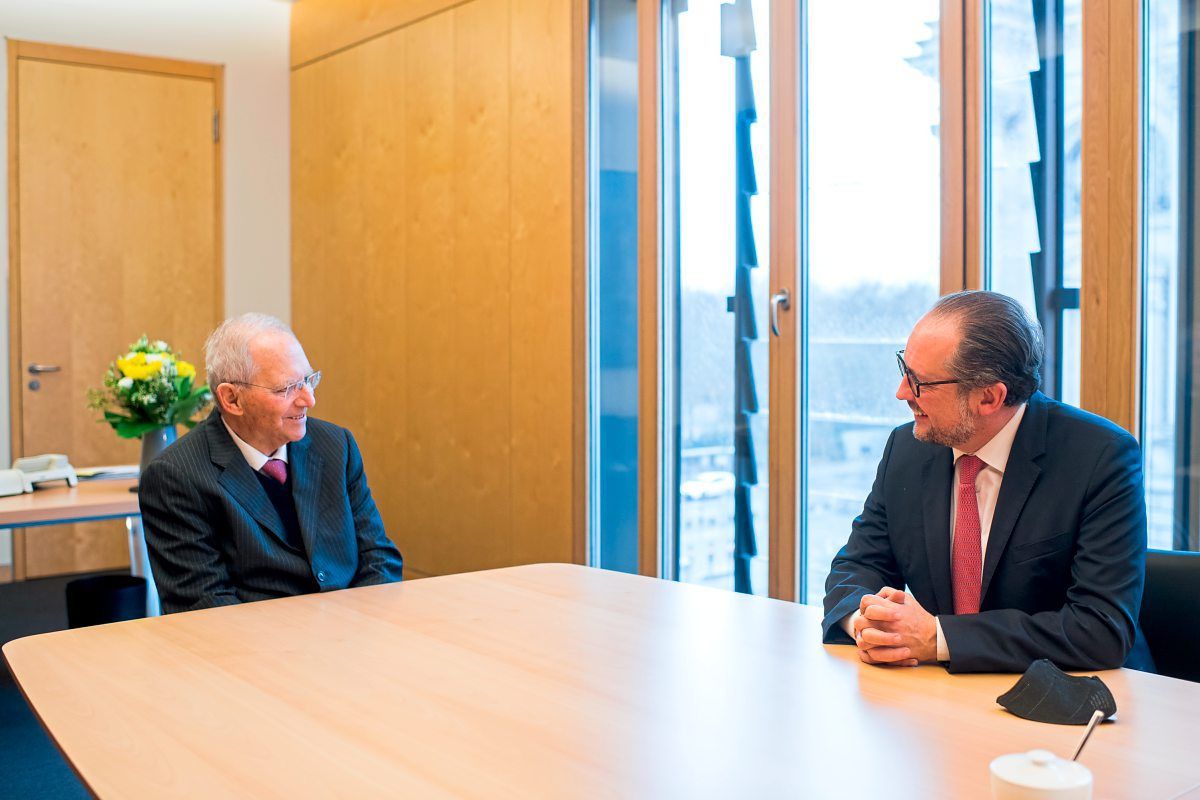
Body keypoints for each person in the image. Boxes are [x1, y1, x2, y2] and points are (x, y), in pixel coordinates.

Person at [822, 291, 1153, 673]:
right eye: (904, 369)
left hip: (1073, 694)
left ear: (990, 397)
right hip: (942, 693)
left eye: (920, 383)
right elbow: (856, 566)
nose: (901, 393)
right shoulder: (907, 449)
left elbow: (1099, 630)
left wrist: (938, 638)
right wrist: (869, 624)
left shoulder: (1099, 457)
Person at [140, 313, 404, 614]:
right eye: (286, 388)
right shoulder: (176, 476)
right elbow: (205, 605)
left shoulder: (335, 444)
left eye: (308, 380)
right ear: (232, 399)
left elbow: (379, 557)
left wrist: (358, 625)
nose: (308, 400)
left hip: (353, 629)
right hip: (255, 641)